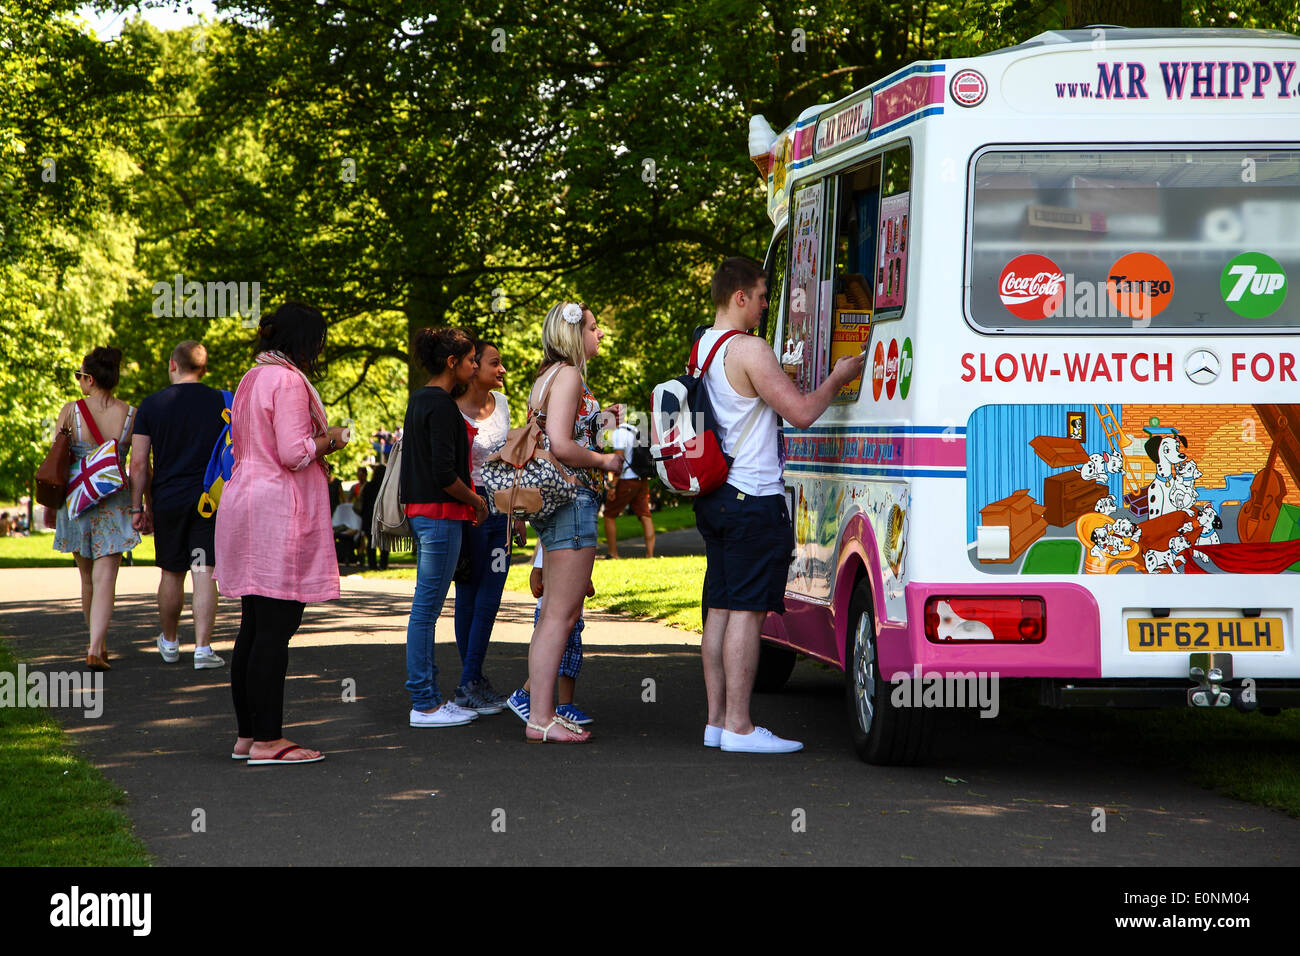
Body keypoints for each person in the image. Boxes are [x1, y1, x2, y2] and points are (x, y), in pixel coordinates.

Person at [696, 258, 866, 754]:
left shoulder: (704, 346)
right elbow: (803, 412)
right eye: (764, 294)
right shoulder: (751, 349)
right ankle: (740, 726)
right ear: (740, 296)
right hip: (754, 497)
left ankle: (715, 723)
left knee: (720, 609)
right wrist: (838, 376)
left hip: (717, 497)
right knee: (747, 614)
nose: (769, 303)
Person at [215, 303, 351, 765]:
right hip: (279, 507)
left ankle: (248, 736)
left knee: (254, 624)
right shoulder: (289, 381)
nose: (320, 350)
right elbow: (294, 452)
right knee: (277, 626)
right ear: (303, 340)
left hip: (247, 498)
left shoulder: (252, 377)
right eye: (318, 340)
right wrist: (332, 438)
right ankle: (270, 741)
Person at [521, 301, 624, 743]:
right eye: (594, 328)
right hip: (573, 498)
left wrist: (600, 424)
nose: (600, 335)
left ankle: (541, 713)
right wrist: (605, 458)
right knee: (561, 616)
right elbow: (562, 445)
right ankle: (540, 718)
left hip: (554, 501)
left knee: (553, 617)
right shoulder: (568, 376)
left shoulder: (545, 377)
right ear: (572, 335)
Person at [402, 327, 488, 729]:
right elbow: (442, 472)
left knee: (427, 608)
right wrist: (477, 502)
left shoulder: (421, 399)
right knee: (426, 610)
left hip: (430, 514)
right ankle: (425, 703)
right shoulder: (438, 404)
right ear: (452, 363)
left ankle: (429, 698)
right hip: (439, 514)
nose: (475, 364)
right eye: (471, 358)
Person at [129, 340, 228, 670]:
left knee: (171, 572)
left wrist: (138, 507)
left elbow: (139, 464)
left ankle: (170, 642)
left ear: (173, 364)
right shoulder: (220, 401)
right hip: (207, 501)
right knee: (204, 571)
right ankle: (203, 648)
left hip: (168, 501)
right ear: (204, 368)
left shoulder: (152, 405)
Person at [52, 347, 140, 671]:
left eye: (80, 376)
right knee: (107, 579)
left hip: (76, 500)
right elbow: (141, 464)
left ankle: (95, 646)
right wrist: (141, 504)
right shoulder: (131, 414)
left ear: (89, 378)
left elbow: (55, 457)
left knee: (87, 579)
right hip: (114, 501)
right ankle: (95, 646)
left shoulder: (70, 411)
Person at [452, 338, 519, 714]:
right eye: (495, 363)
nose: (502, 369)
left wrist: (517, 515)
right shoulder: (452, 412)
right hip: (469, 515)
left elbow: (511, 462)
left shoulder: (505, 405)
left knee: (491, 597)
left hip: (501, 515)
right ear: (472, 366)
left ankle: (470, 680)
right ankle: (470, 682)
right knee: (469, 595)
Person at [506, 542, 594, 726]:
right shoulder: (554, 541)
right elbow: (536, 574)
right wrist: (536, 587)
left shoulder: (579, 543)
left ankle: (565, 705)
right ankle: (523, 694)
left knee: (571, 661)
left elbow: (583, 575)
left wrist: (587, 585)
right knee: (552, 657)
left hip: (573, 612)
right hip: (553, 613)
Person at [603, 422, 655, 559]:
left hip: (627, 480)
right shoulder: (634, 429)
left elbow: (618, 460)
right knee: (645, 515)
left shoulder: (619, 433)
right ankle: (650, 555)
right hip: (641, 478)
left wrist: (613, 485)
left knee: (609, 514)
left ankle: (613, 553)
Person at [360, 464, 389, 570]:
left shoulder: (368, 486)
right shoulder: (386, 486)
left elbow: (364, 502)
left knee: (371, 542)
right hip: (383, 516)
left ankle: (372, 564)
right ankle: (383, 563)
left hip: (369, 517)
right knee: (384, 542)